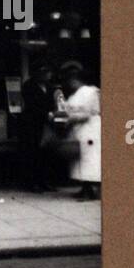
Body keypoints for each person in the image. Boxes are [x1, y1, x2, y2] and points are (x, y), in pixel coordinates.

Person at [59, 62, 101, 200]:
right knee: (80, 160)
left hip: (90, 130)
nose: (70, 84)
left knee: (89, 160)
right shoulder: (74, 95)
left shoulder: (91, 92)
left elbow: (88, 113)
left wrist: (70, 118)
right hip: (78, 131)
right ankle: (85, 187)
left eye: (72, 80)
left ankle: (90, 190)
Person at [19, 64, 58, 191]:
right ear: (39, 73)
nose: (49, 75)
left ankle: (44, 181)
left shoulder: (50, 87)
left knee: (46, 153)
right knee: (32, 152)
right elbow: (31, 104)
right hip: (32, 123)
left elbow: (53, 102)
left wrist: (54, 112)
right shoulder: (28, 86)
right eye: (47, 72)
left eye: (49, 73)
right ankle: (32, 182)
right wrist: (46, 113)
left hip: (46, 124)